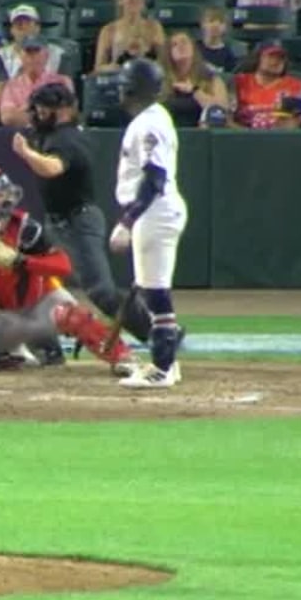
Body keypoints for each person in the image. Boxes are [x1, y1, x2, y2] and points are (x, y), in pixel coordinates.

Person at [11, 82, 153, 375]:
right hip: (57, 222)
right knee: (29, 279)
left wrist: (26, 154)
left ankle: (158, 332)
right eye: (37, 107)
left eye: (45, 108)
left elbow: (52, 168)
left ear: (63, 110)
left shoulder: (67, 139)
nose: (38, 113)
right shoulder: (50, 134)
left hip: (79, 221)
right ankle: (45, 345)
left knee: (100, 290)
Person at [0, 168, 135, 373]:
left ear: (10, 196)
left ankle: (121, 356)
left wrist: (21, 261)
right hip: (8, 315)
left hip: (44, 302)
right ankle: (18, 353)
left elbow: (63, 266)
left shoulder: (26, 229)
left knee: (70, 316)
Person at [107, 58, 187, 389]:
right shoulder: (150, 119)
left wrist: (127, 221)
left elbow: (154, 178)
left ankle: (163, 366)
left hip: (154, 212)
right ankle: (167, 357)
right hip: (154, 212)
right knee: (150, 292)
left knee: (155, 293)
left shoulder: (149, 124)